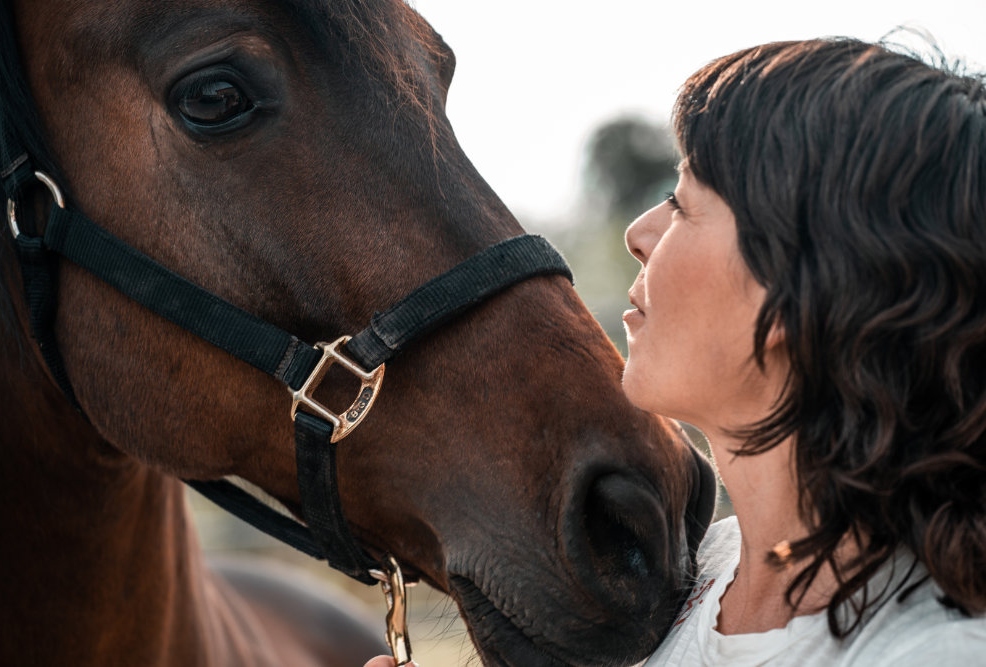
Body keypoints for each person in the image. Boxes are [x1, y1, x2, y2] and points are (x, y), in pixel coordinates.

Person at [366, 36, 986, 667]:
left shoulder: (941, 652)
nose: (640, 234)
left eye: (683, 203)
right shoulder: (686, 581)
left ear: (801, 287)